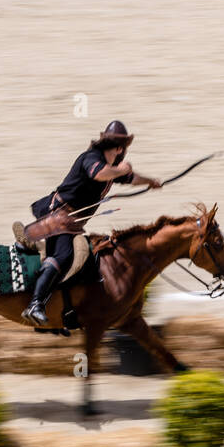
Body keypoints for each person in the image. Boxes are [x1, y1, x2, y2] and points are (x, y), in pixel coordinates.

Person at [21, 121, 164, 328]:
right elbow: (98, 173)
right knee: (63, 255)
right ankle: (35, 305)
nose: (124, 153)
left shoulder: (111, 169)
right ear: (119, 148)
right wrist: (121, 169)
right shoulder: (91, 159)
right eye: (123, 149)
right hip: (58, 216)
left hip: (71, 221)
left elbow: (131, 178)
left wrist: (151, 182)